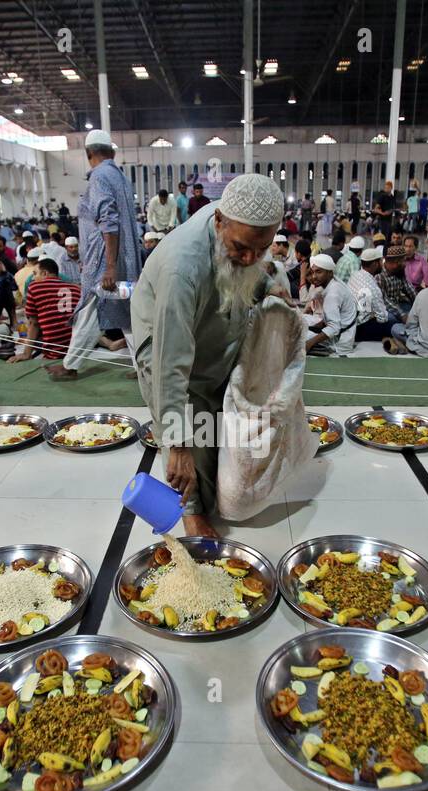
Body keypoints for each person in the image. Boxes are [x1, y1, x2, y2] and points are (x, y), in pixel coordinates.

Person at [132, 173, 284, 537]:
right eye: (240, 248)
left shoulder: (239, 229)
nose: (249, 258)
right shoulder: (182, 267)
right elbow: (170, 366)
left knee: (217, 433)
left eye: (260, 250)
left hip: (210, 331)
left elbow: (249, 263)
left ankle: (203, 475)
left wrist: (266, 284)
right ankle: (190, 509)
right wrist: (179, 447)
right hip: (165, 345)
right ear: (219, 222)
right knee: (191, 433)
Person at [55, 129, 142, 381]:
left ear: (88, 153)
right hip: (120, 258)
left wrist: (110, 267)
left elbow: (109, 222)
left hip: (104, 261)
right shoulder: (119, 177)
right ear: (112, 152)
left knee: (91, 309)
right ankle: (143, 367)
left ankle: (70, 366)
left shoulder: (100, 178)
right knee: (123, 315)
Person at [9, 257, 80, 363]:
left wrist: (26, 354)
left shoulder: (35, 287)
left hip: (54, 351)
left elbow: (34, 323)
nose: (33, 278)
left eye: (35, 273)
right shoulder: (76, 289)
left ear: (45, 273)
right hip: (76, 347)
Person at [304, 253, 358, 357]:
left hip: (339, 342)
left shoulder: (332, 293)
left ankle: (319, 347)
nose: (314, 276)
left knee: (292, 335)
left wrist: (309, 344)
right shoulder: (335, 283)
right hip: (343, 335)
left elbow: (334, 328)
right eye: (313, 272)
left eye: (319, 272)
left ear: (329, 273)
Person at [348, 247, 386, 336]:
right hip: (360, 328)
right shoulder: (372, 289)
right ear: (375, 264)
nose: (382, 265)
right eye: (381, 262)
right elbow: (382, 319)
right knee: (395, 324)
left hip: (352, 322)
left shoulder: (355, 275)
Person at [377, 247, 416, 321]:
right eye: (402, 262)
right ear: (395, 262)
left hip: (398, 304)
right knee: (392, 319)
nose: (404, 264)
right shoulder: (380, 276)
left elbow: (409, 289)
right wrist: (402, 315)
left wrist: (420, 304)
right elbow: (384, 300)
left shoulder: (399, 271)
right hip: (385, 308)